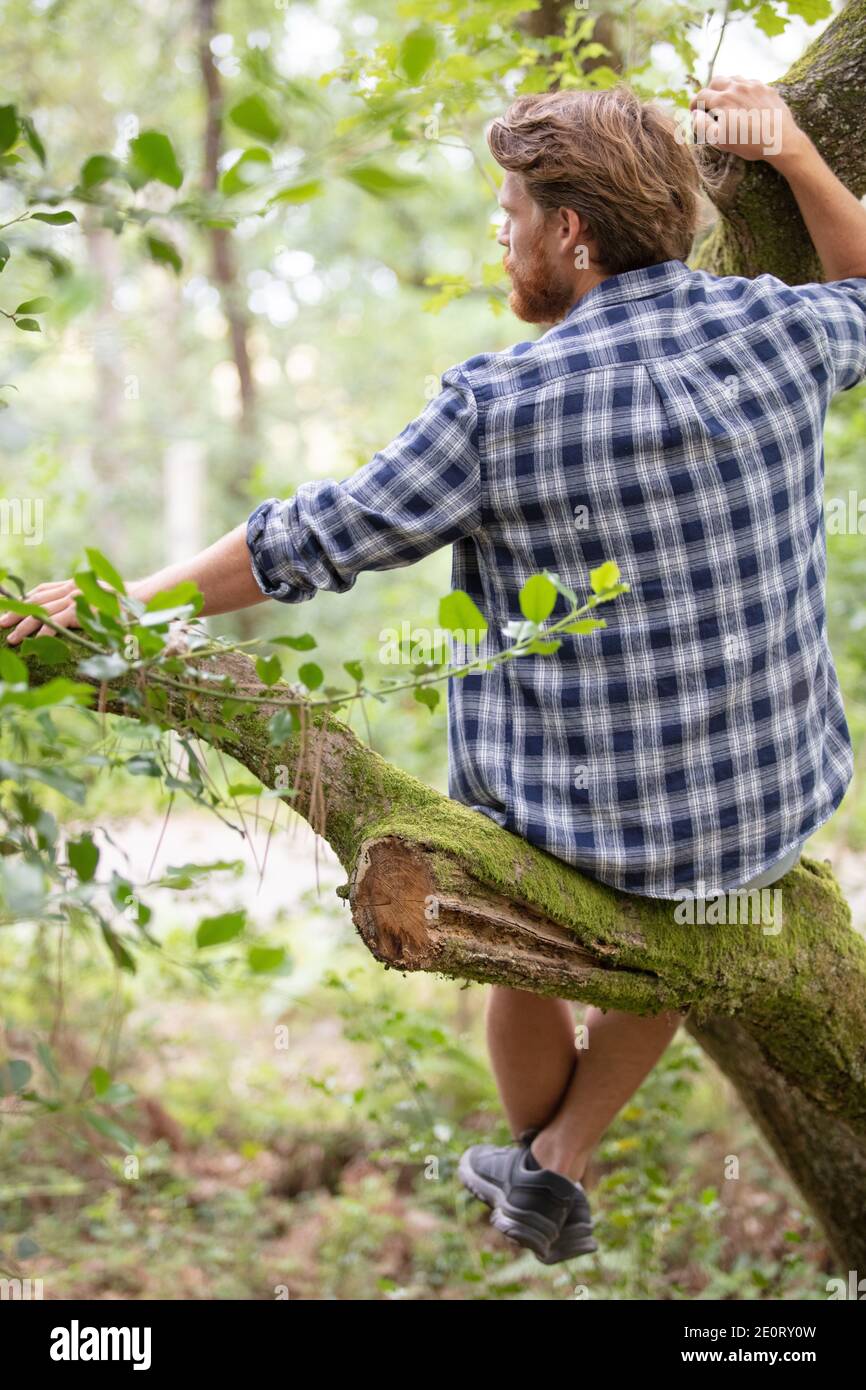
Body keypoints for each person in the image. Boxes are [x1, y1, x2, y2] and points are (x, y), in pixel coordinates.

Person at [3, 76, 865, 1266]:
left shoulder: (498, 405)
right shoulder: (775, 329)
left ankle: (533, 1161)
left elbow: (309, 539)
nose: (499, 232)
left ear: (570, 230)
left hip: (580, 842)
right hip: (757, 818)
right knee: (676, 922)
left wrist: (119, 605)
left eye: (508, 212)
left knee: (508, 874)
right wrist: (800, 154)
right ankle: (558, 1161)